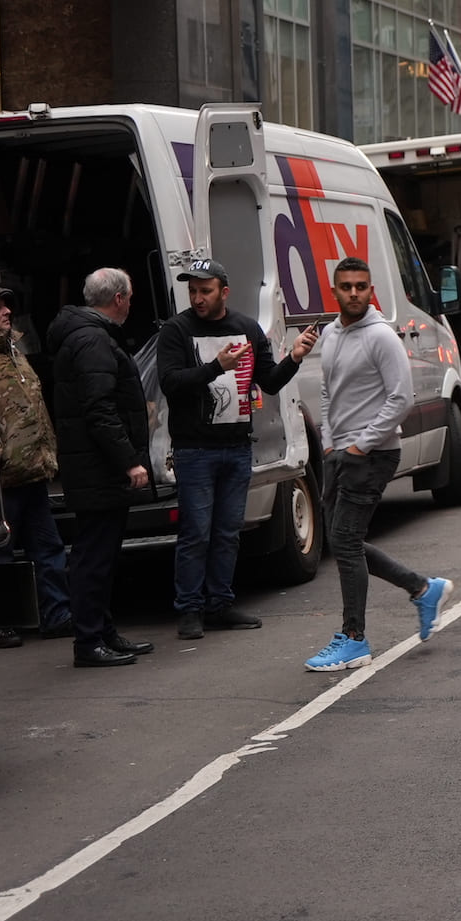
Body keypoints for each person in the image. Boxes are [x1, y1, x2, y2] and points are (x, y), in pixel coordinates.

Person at [304, 256, 453, 673]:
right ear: (334, 290)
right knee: (341, 540)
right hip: (342, 453)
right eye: (346, 286)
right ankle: (423, 589)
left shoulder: (382, 337)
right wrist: (332, 446)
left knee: (346, 541)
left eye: (361, 286)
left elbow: (400, 400)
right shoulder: (331, 335)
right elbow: (329, 394)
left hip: (374, 454)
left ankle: (354, 639)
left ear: (371, 291)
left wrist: (360, 447)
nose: (354, 293)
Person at [157, 259, 319, 641]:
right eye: (193, 291)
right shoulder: (177, 330)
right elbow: (171, 383)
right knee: (197, 532)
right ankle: (190, 610)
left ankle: (220, 604)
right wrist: (216, 367)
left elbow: (271, 382)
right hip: (195, 449)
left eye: (205, 290)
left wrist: (294, 356)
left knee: (228, 531)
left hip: (235, 447)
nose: (198, 298)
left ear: (223, 292)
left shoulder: (246, 329)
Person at [48, 269, 156, 668]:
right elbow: (100, 409)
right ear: (120, 299)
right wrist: (129, 461)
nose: (130, 303)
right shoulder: (93, 339)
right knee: (94, 557)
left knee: (102, 555)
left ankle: (104, 633)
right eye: (129, 296)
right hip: (97, 468)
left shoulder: (87, 334)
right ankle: (89, 642)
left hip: (92, 466)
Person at [0, 286, 71, 649]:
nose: (7, 312)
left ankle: (58, 616)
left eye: (7, 305)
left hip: (33, 470)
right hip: (1, 477)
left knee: (49, 548)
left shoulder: (12, 351)